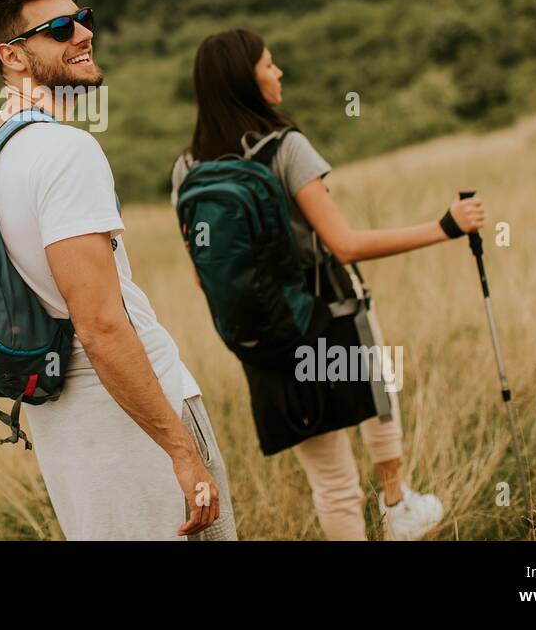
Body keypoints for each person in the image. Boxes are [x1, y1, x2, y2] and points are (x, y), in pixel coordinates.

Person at [170, 28, 485, 540]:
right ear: (244, 79)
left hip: (264, 338)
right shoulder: (286, 148)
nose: (278, 73)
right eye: (269, 65)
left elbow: (201, 272)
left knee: (332, 484)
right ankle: (397, 505)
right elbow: (345, 245)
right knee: (379, 401)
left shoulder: (187, 170)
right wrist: (444, 227)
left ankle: (397, 504)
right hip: (331, 316)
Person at [0, 0, 236, 540]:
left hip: (58, 412)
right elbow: (101, 325)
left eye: (82, 18)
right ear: (12, 56)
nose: (83, 34)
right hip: (131, 417)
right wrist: (180, 450)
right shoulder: (65, 150)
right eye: (60, 28)